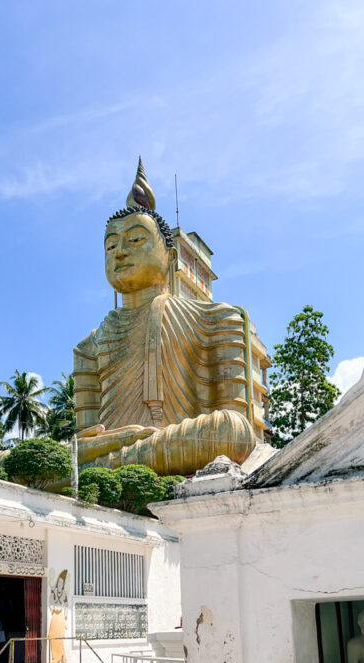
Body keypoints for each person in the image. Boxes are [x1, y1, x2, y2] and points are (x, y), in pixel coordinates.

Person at [73, 158, 258, 475]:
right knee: (49, 458)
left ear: (171, 257)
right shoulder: (88, 347)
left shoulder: (217, 318)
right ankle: (114, 465)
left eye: (135, 239)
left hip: (181, 448)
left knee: (231, 432)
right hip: (127, 458)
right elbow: (84, 441)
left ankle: (114, 465)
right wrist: (90, 449)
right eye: (111, 245)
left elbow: (238, 429)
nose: (120, 252)